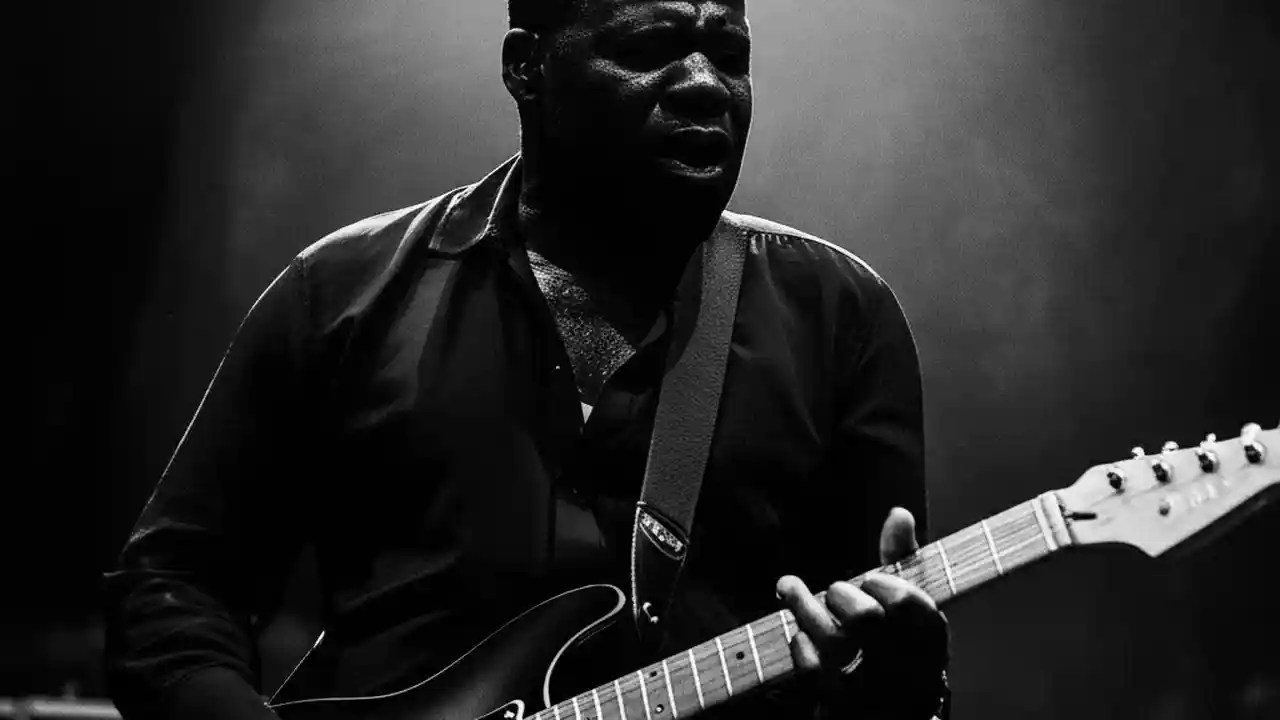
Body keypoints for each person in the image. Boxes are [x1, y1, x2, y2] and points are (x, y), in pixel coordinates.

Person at [103, 1, 950, 718]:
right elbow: (174, 588)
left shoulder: (841, 315)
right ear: (528, 66)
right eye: (649, 49)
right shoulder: (343, 292)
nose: (703, 85)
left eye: (730, 56)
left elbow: (875, 655)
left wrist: (905, 681)